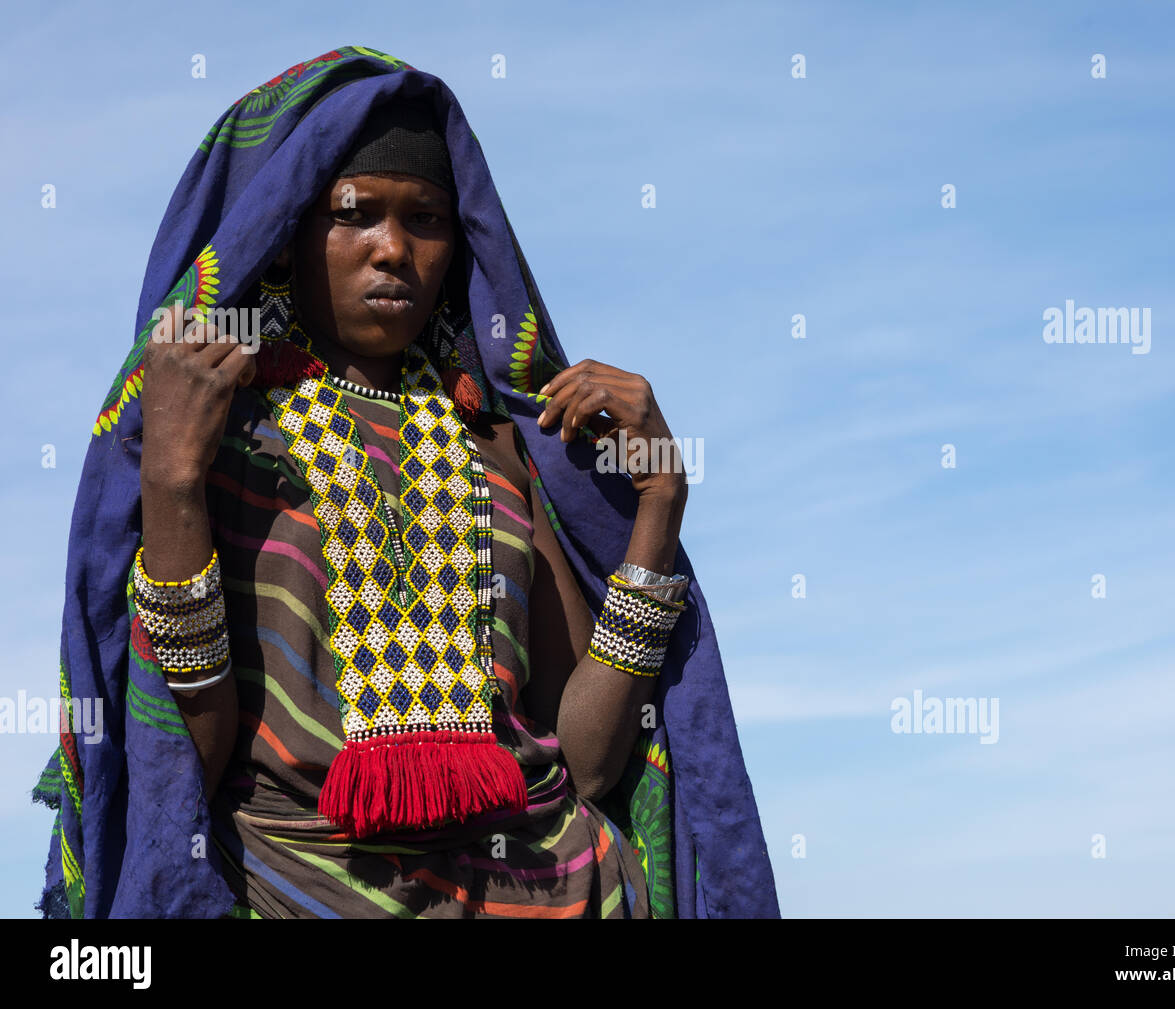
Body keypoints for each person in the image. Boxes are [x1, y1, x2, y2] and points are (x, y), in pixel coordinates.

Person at [34, 45, 778, 919]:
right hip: (290, 888)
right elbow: (189, 754)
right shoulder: (227, 432)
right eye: (356, 215)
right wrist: (169, 477)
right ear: (290, 227)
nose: (393, 249)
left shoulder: (500, 445)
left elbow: (586, 760)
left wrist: (657, 505)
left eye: (425, 218)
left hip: (554, 890)